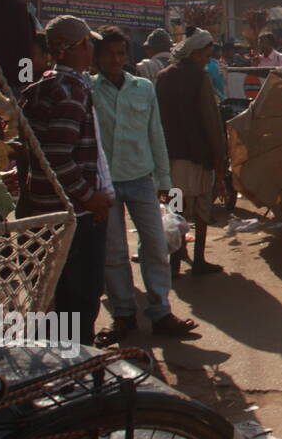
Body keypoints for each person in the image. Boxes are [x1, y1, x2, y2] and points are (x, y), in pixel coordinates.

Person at [90, 27, 197, 343]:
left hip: (141, 179)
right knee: (114, 252)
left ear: (127, 56)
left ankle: (161, 312)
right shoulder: (88, 90)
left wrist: (164, 180)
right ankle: (124, 315)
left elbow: (156, 135)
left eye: (120, 53)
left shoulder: (143, 89)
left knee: (155, 247)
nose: (115, 59)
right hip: (105, 182)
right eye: (109, 53)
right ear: (98, 58)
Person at [19, 16, 112, 345]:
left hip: (47, 211)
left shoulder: (43, 86)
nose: (91, 52)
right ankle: (75, 371)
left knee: (56, 300)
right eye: (88, 45)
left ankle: (61, 364)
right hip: (73, 213)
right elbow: (59, 156)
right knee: (80, 299)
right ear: (80, 47)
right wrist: (90, 197)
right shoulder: (70, 91)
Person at [155, 28, 226, 277]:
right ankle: (198, 260)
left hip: (170, 156)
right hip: (197, 155)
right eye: (206, 55)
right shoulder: (199, 78)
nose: (207, 60)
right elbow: (210, 118)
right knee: (201, 210)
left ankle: (174, 264)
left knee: (176, 210)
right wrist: (219, 154)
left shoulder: (163, 76)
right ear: (195, 54)